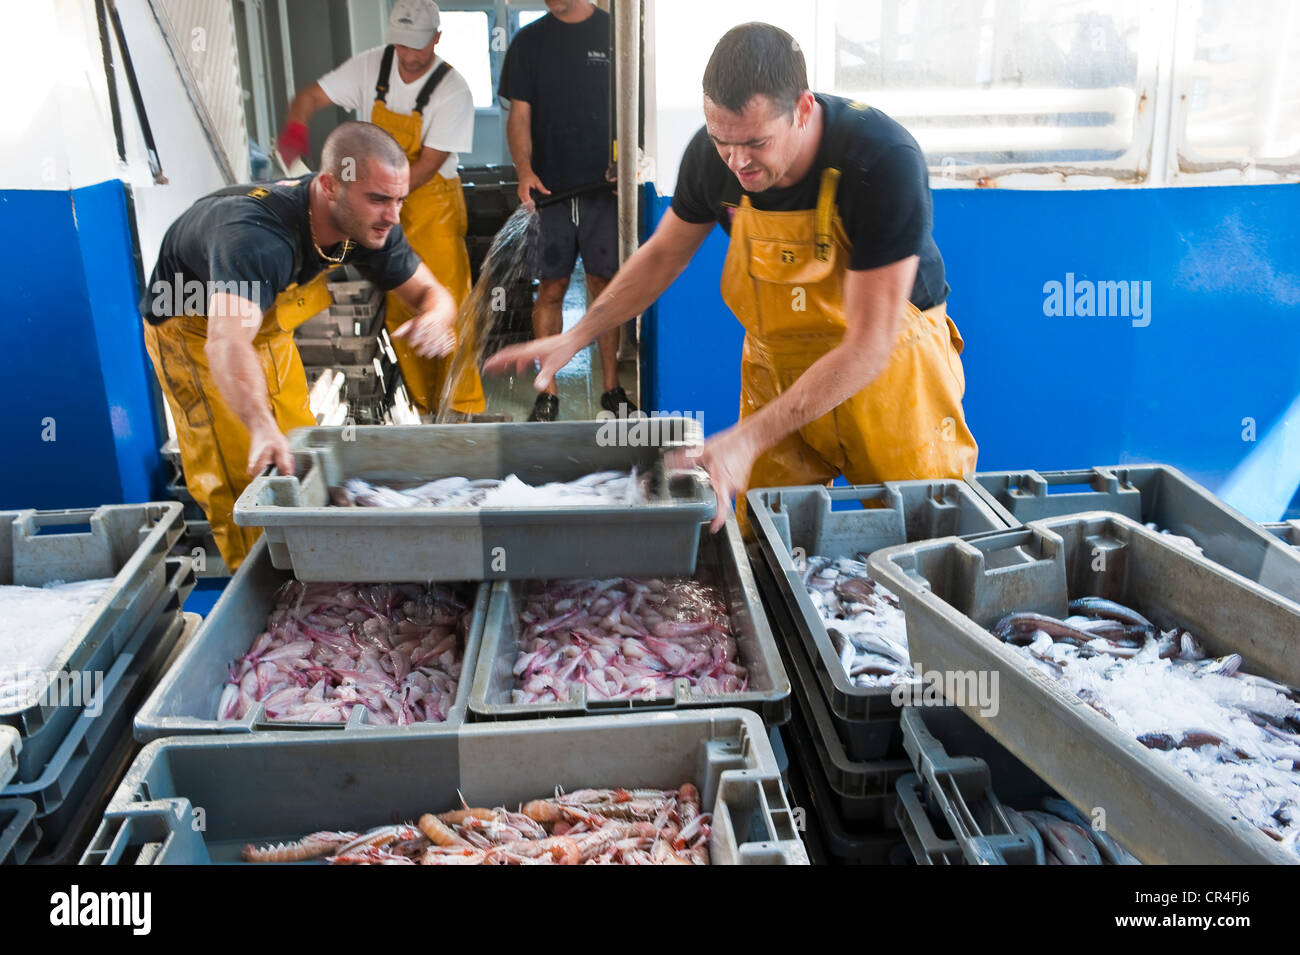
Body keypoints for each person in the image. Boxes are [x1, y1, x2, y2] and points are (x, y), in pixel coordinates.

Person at [487, 22, 978, 533]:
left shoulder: (879, 159)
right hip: (779, 371)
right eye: (723, 141)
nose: (737, 161)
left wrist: (744, 439)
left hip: (890, 376)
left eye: (756, 143)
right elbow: (661, 258)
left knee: (925, 537)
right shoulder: (712, 155)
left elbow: (870, 346)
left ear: (803, 110)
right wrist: (577, 335)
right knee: (765, 540)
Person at [142, 122, 459, 570]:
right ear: (329, 185)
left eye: (399, 199)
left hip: (264, 327)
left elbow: (434, 294)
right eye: (379, 199)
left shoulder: (368, 222)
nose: (394, 215)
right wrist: (257, 424)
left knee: (298, 457)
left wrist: (436, 317)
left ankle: (312, 570)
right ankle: (264, 595)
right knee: (246, 476)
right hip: (196, 333)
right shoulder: (254, 236)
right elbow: (226, 342)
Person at [279, 0, 483, 419]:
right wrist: (295, 129)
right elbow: (310, 97)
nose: (409, 56)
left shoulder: (453, 89)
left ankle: (462, 408)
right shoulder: (373, 66)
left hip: (432, 202)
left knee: (447, 302)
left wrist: (368, 201)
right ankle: (423, 406)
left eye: (419, 47)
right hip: (377, 195)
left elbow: (426, 164)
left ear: (437, 39)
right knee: (399, 302)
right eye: (402, 45)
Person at [498, 0, 635, 421]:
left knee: (604, 287)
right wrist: (524, 171)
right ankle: (548, 391)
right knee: (551, 287)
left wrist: (627, 165)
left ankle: (612, 388)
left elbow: (635, 107)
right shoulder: (528, 42)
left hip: (604, 190)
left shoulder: (616, 36)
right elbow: (519, 118)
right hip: (548, 190)